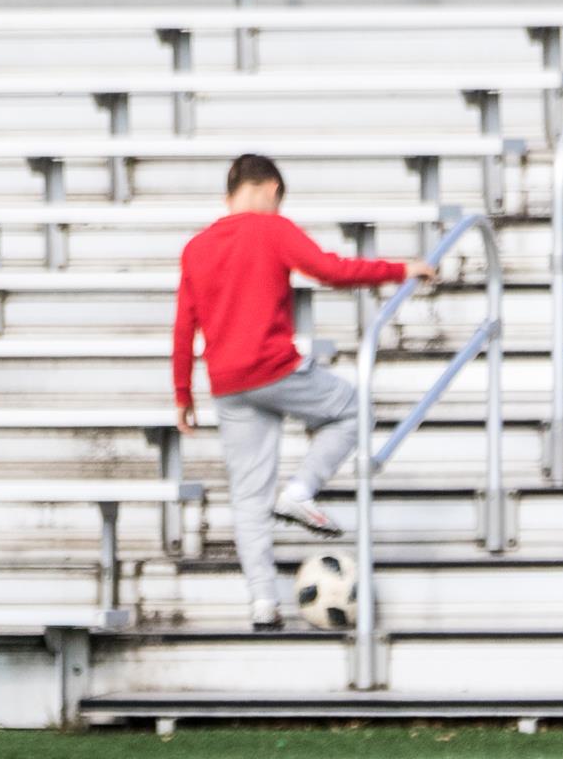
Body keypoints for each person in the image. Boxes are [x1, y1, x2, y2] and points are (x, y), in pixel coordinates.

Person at [174, 154, 436, 630]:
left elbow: (183, 325)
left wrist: (182, 394)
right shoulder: (270, 229)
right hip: (274, 369)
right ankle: (301, 489)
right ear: (271, 189)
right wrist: (400, 269)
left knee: (248, 496)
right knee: (355, 409)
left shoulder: (196, 248)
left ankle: (263, 605)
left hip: (227, 384)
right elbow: (329, 270)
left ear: (228, 193)